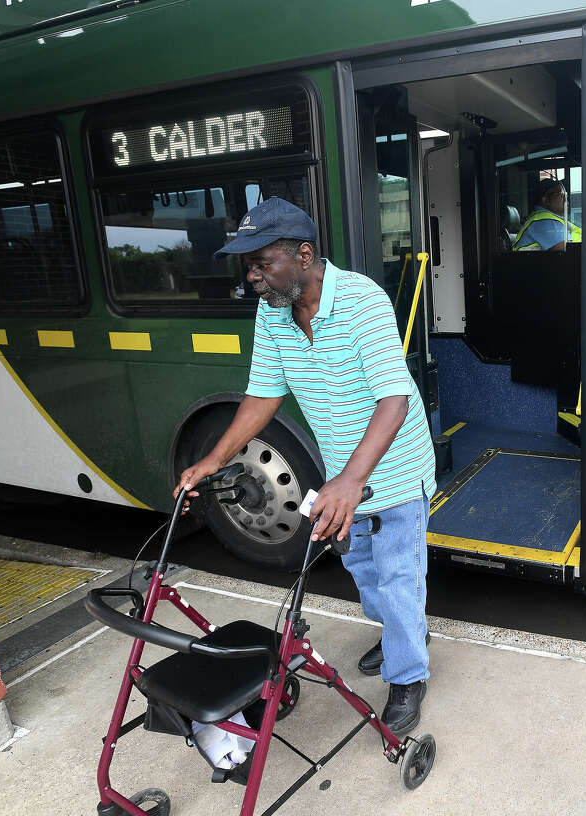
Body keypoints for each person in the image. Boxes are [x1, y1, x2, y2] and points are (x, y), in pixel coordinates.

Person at [175, 198, 436, 733]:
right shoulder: (273, 313)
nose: (252, 277)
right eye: (248, 266)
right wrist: (213, 459)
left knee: (398, 579)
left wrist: (351, 481)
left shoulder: (362, 300)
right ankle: (402, 632)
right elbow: (263, 395)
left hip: (393, 469)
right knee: (363, 572)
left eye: (261, 263)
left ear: (304, 255)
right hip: (343, 476)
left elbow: (394, 400)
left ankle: (408, 672)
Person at [511, 179, 582, 251]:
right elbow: (569, 250)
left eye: (566, 195)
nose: (565, 199)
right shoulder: (544, 222)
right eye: (561, 195)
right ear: (545, 200)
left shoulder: (555, 219)